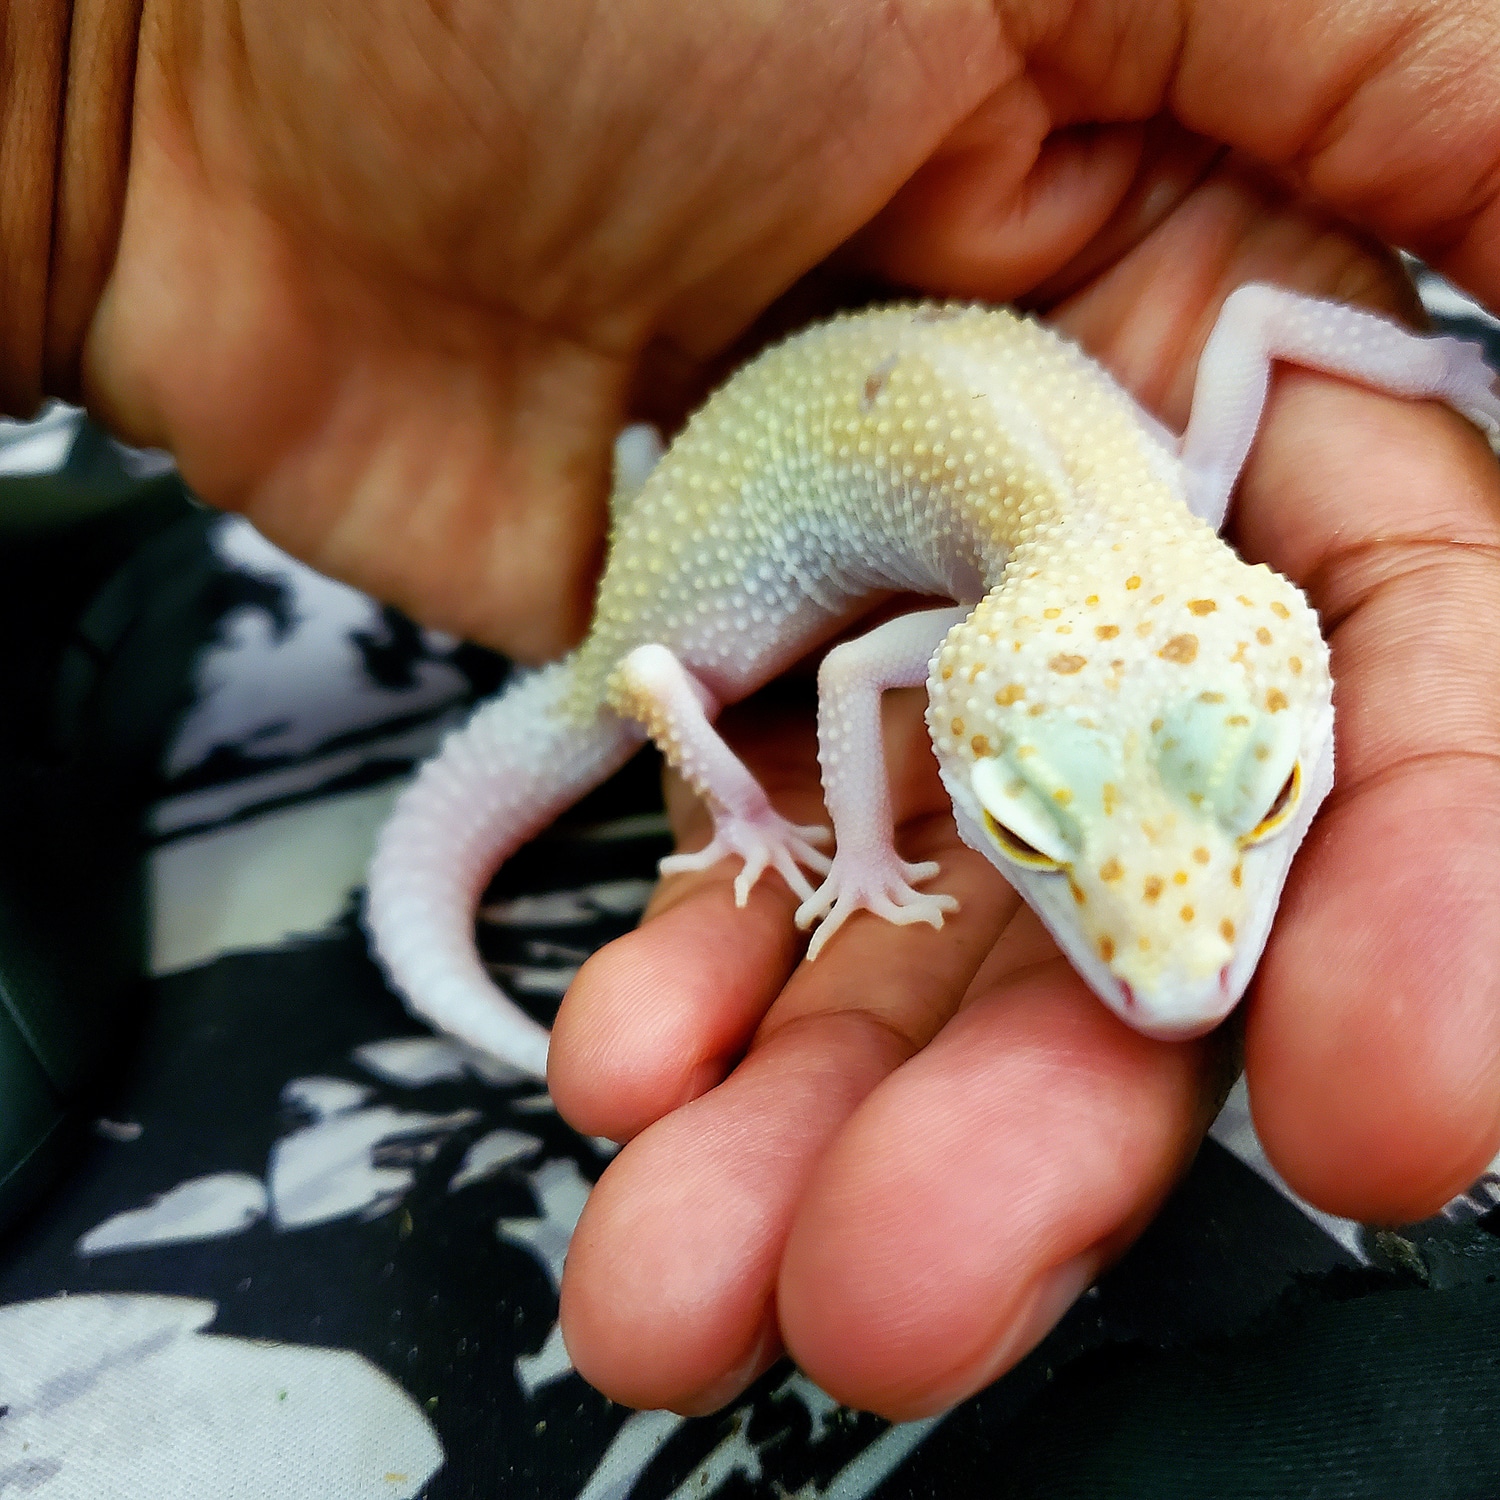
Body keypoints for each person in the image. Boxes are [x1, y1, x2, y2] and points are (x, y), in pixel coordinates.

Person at [8, 0, 1500, 1422]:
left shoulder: (1115, 540)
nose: (1172, 968)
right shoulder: (1155, 519)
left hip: (760, 450)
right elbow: (838, 668)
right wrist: (821, 842)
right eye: (1046, 834)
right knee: (654, 678)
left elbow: (1241, 322)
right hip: (672, 624)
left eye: (1243, 791)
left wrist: (1435, 368)